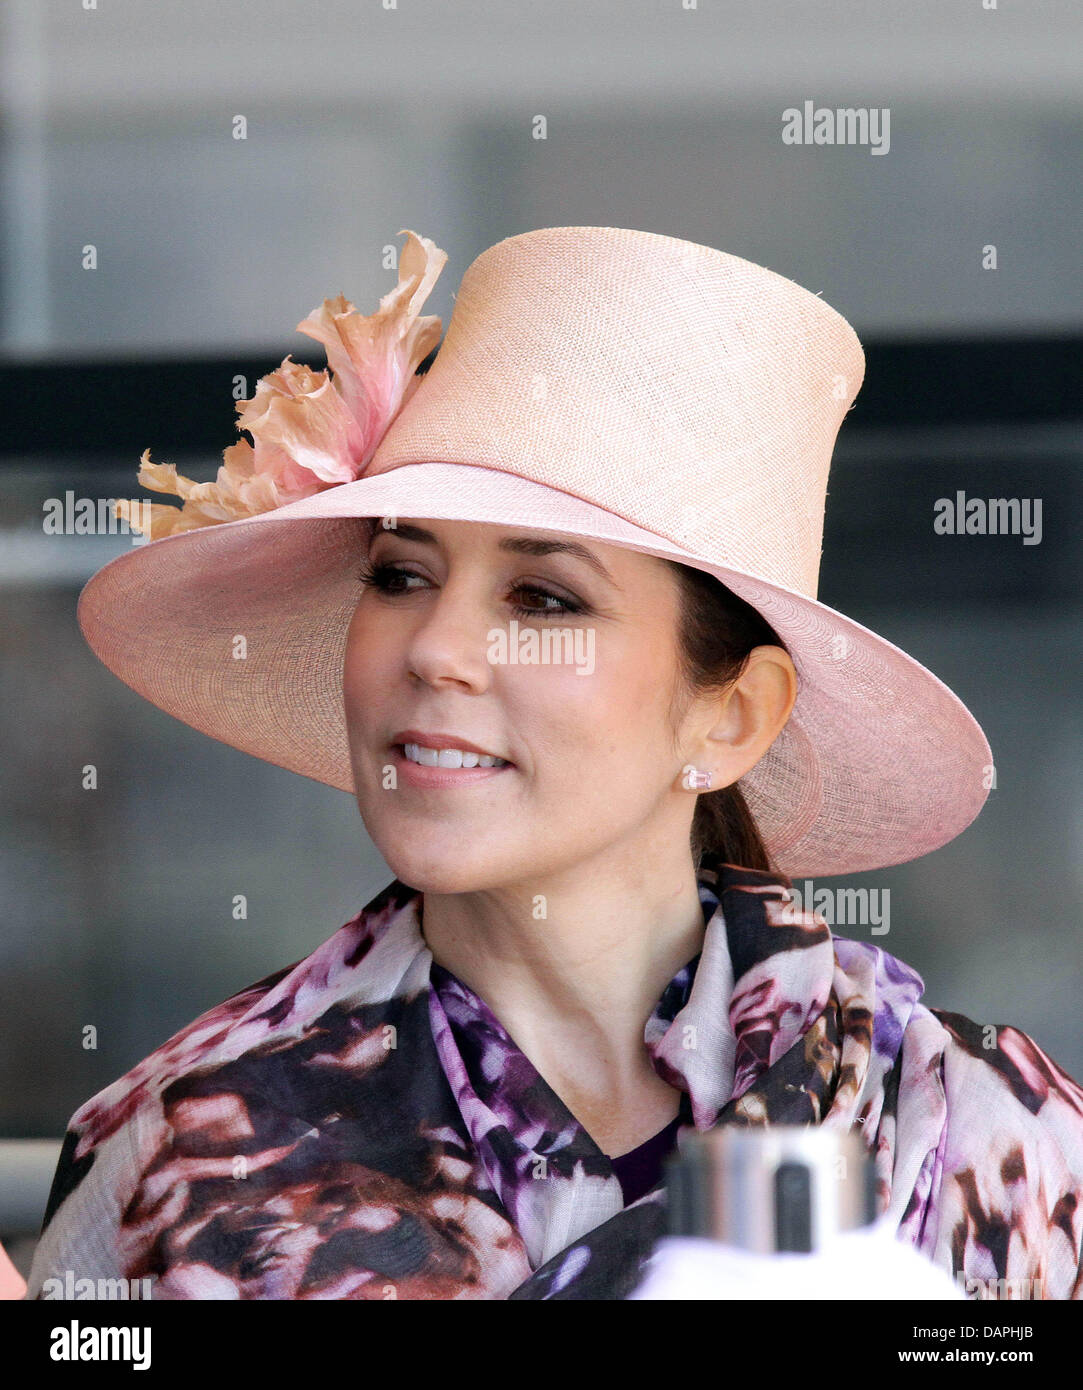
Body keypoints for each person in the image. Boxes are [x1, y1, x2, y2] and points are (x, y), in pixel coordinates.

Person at [26, 225, 1083, 1300]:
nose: (435, 648)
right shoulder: (180, 1150)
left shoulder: (971, 1129)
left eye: (543, 599)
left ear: (730, 717)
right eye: (399, 574)